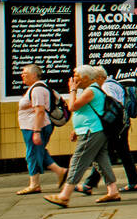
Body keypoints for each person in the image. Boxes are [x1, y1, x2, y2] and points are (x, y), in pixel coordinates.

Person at [44, 64, 121, 207]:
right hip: (94, 130)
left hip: (91, 132)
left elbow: (73, 107)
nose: (73, 78)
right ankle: (113, 191)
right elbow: (86, 112)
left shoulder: (91, 90)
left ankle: (64, 195)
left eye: (76, 75)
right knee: (101, 161)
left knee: (78, 160)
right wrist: (76, 129)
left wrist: (72, 89)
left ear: (86, 78)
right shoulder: (92, 90)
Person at [78, 65, 137, 194]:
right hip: (122, 123)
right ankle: (134, 181)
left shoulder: (107, 86)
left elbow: (112, 105)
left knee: (103, 153)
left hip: (115, 126)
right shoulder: (114, 83)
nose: (92, 81)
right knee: (122, 153)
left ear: (101, 77)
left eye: (94, 78)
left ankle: (89, 184)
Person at [15, 63, 67, 194]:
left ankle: (34, 184)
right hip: (33, 126)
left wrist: (36, 132)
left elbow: (40, 111)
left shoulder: (37, 89)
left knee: (32, 154)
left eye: (25, 74)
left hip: (35, 126)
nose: (22, 76)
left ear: (34, 75)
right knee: (39, 151)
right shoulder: (39, 87)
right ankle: (60, 171)